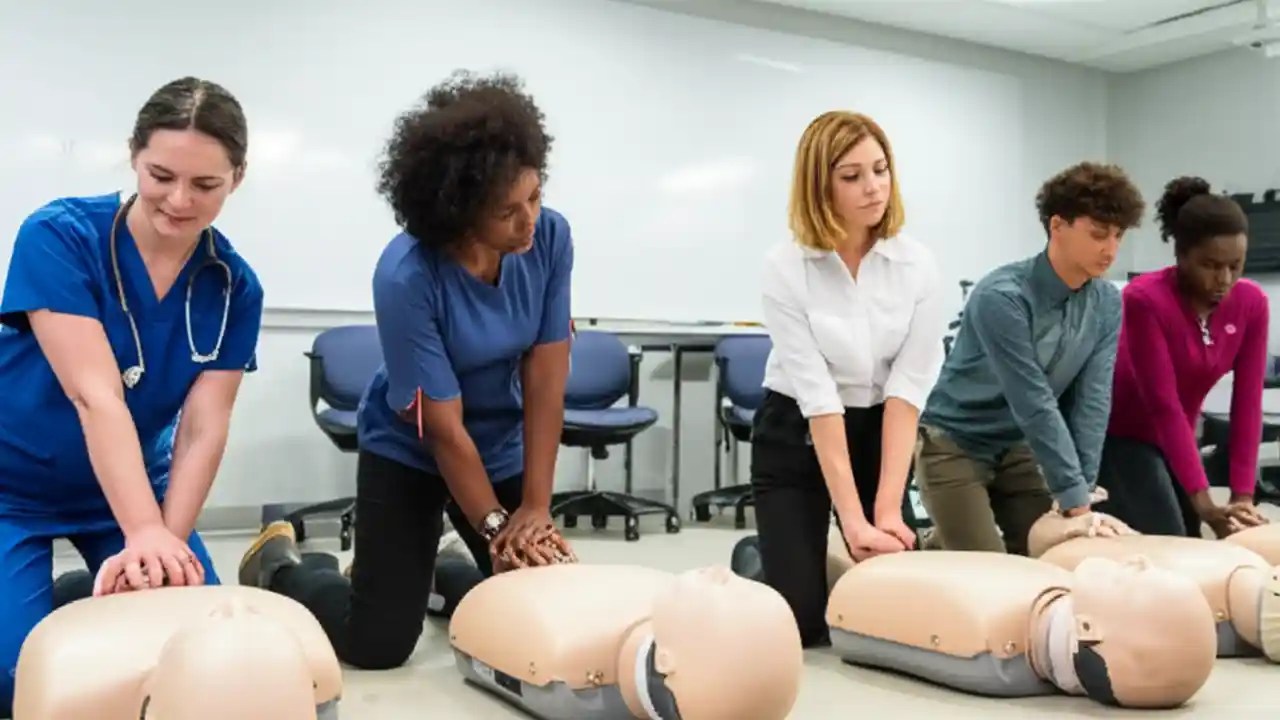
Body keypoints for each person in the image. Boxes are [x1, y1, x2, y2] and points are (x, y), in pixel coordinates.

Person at [238, 70, 576, 671]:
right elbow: (442, 430)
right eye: (508, 211)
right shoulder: (406, 275)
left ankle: (439, 572)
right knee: (378, 644)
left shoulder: (549, 240)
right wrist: (497, 526)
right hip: (411, 451)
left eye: (536, 197)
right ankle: (286, 567)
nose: (529, 220)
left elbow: (547, 380)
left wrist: (535, 511)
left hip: (500, 445)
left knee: (543, 594)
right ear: (459, 212)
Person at [0, 76, 263, 716]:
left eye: (206, 185)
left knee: (202, 656)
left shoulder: (234, 286)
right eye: (160, 174)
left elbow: (205, 428)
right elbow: (97, 398)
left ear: (238, 177)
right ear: (133, 156)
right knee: (24, 677)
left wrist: (161, 543)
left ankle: (94, 582)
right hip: (12, 489)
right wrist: (141, 530)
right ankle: (64, 595)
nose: (179, 200)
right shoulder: (60, 236)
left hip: (129, 490)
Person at [746, 110, 946, 649]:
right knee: (804, 628)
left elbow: (907, 392)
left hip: (878, 432)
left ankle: (828, 557)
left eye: (880, 170)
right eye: (851, 176)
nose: (873, 187)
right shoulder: (786, 266)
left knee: (888, 611)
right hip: (795, 431)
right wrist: (852, 522)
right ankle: (761, 562)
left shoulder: (918, 265)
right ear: (820, 184)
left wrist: (884, 508)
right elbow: (818, 400)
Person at [914, 161, 1144, 555]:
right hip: (954, 444)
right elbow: (1033, 400)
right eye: (1098, 234)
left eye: (1118, 236)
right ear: (1057, 226)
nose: (1111, 249)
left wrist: (1082, 489)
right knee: (991, 571)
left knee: (1047, 555)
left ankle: (944, 542)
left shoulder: (1107, 302)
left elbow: (1093, 399)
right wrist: (1072, 495)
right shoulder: (1002, 297)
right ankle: (933, 548)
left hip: (1018, 447)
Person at [1095, 176, 1270, 538]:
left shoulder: (1252, 304)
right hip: (1120, 434)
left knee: (1193, 539)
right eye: (1210, 265)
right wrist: (1204, 504)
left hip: (1177, 437)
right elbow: (1163, 405)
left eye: (1235, 265)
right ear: (1181, 256)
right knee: (1169, 540)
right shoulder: (1145, 299)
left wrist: (1242, 497)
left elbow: (1248, 402)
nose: (1223, 279)